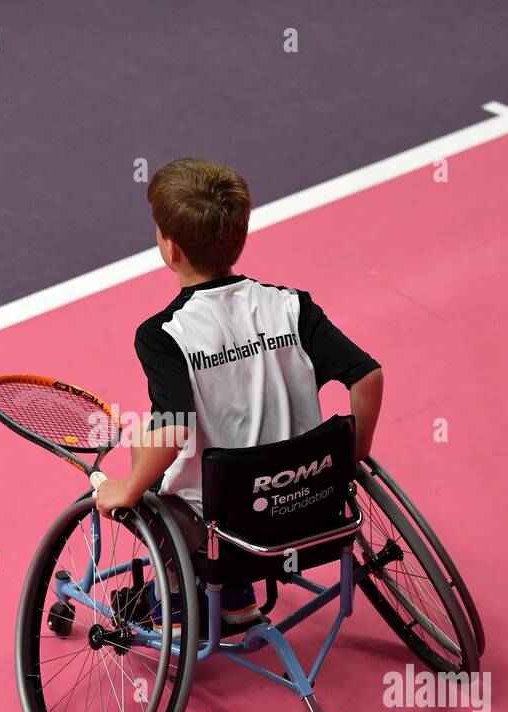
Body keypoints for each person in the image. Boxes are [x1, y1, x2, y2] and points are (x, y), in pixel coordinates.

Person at [94, 158, 383, 625]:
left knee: (148, 444)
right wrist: (353, 455)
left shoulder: (164, 334)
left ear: (170, 249)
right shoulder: (292, 307)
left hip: (227, 534)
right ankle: (234, 596)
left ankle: (185, 599)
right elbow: (368, 376)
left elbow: (171, 433)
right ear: (240, 235)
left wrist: (128, 487)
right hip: (316, 505)